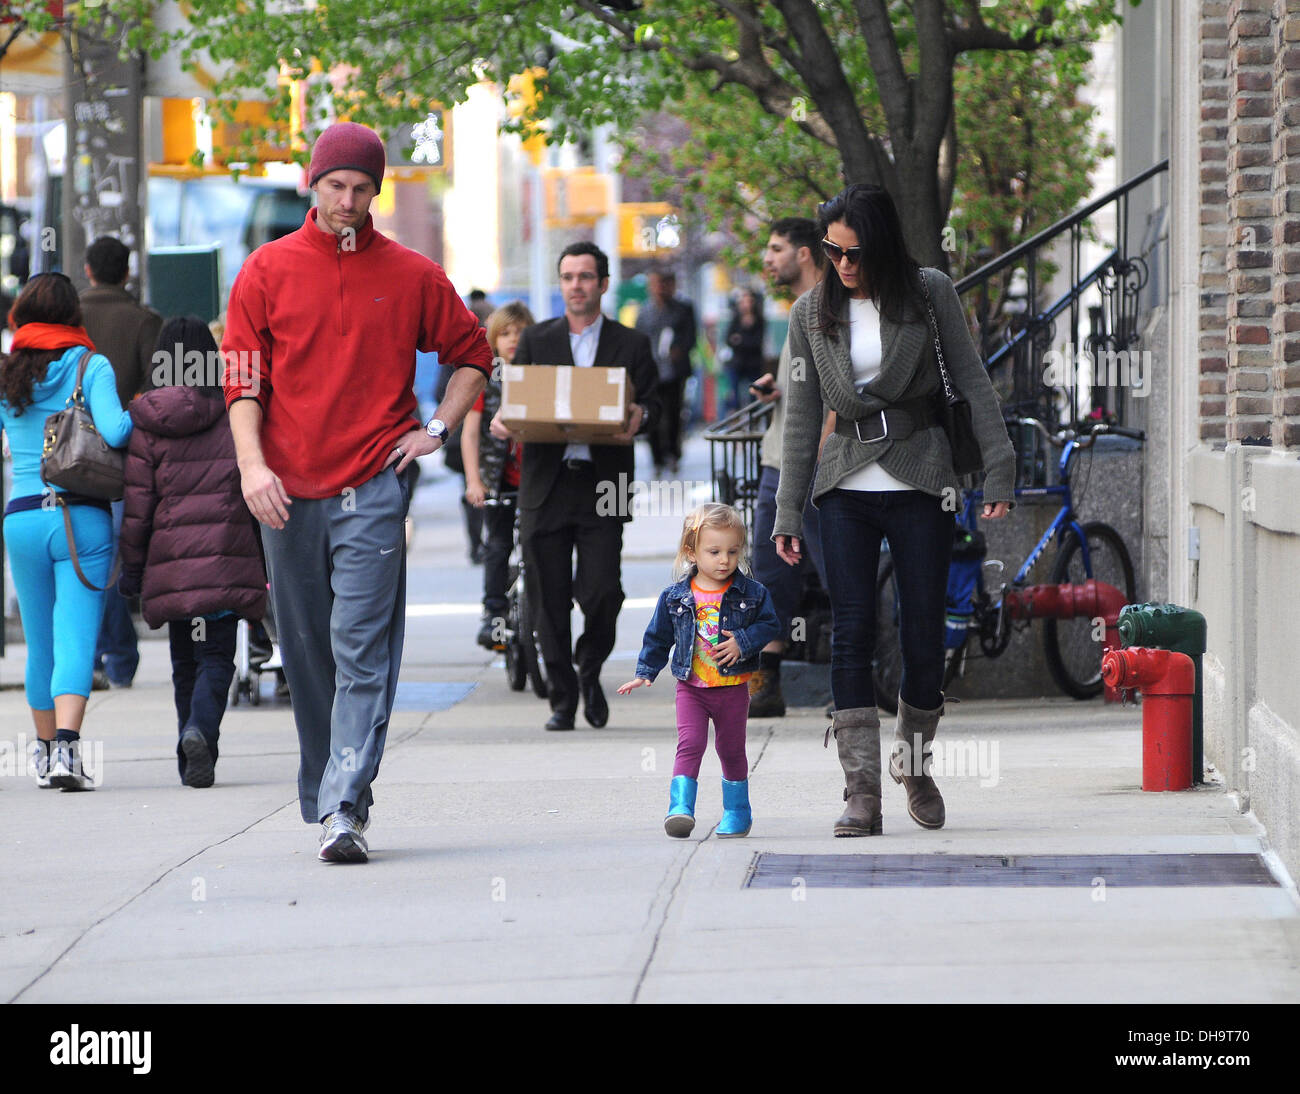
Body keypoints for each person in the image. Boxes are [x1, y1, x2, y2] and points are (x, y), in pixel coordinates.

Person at [223, 121, 492, 863]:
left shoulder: (411, 273)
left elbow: (474, 355)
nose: (347, 200)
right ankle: (329, 788)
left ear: (378, 192)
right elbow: (241, 381)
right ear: (313, 185)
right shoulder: (265, 271)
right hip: (284, 489)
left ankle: (344, 803)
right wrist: (252, 468)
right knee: (306, 649)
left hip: (375, 481)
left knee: (361, 647)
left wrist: (437, 427)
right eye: (335, 186)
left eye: (361, 188)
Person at [773, 183, 1015, 838]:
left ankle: (914, 764)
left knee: (922, 633)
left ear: (880, 245)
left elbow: (970, 378)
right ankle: (861, 794)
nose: (844, 265)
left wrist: (999, 467)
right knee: (851, 630)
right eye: (833, 252)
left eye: (854, 253)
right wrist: (788, 511)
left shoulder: (928, 292)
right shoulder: (809, 312)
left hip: (921, 480)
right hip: (845, 486)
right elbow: (800, 421)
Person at [491, 241, 659, 732]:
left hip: (605, 483)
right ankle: (563, 697)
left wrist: (640, 415)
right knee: (547, 596)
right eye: (568, 277)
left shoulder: (631, 344)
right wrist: (506, 421)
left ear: (603, 284)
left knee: (604, 591)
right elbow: (516, 398)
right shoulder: (537, 341)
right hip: (545, 483)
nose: (576, 286)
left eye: (585, 277)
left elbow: (656, 403)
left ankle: (590, 668)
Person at [117, 317, 268, 788]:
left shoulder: (147, 422)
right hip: (226, 556)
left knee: (185, 660)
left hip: (172, 564)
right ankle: (201, 732)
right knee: (216, 657)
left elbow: (138, 508)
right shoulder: (235, 413)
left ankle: (191, 746)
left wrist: (132, 573)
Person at [0, 272, 132, 790]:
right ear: (73, 314)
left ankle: (41, 752)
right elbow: (117, 430)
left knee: (40, 643)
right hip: (80, 518)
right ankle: (67, 754)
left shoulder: (8, 372)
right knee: (77, 635)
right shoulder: (89, 364)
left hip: (23, 517)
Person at [618, 503, 780, 838]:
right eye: (715, 551)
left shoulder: (751, 593)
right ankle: (680, 809)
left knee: (730, 749)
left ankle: (737, 812)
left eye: (733, 551)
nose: (724, 560)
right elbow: (658, 636)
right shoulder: (675, 596)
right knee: (690, 744)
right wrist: (645, 671)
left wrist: (743, 642)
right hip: (690, 687)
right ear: (691, 552)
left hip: (732, 688)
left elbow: (770, 625)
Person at [747, 217, 829, 717]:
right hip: (777, 460)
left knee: (837, 572)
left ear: (804, 254)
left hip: (816, 464)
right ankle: (767, 683)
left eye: (776, 248)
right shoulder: (794, 311)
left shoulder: (827, 311)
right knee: (772, 573)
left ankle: (853, 677)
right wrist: (775, 389)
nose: (768, 258)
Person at [80, 235, 162, 691]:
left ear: (88, 271)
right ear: (127, 272)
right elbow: (157, 393)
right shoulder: (144, 321)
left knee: (87, 558)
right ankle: (117, 653)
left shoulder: (69, 318)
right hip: (124, 461)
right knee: (109, 557)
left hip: (67, 458)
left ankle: (103, 653)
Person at [463, 301, 534, 649]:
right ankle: (492, 612)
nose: (513, 340)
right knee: (497, 544)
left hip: (536, 479)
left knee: (541, 545)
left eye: (520, 333)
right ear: (493, 339)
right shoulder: (486, 377)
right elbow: (471, 433)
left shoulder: (541, 373)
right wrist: (474, 481)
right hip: (499, 479)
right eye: (505, 333)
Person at [634, 268, 697, 476]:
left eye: (665, 284)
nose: (660, 289)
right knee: (652, 415)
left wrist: (679, 350)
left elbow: (691, 338)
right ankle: (657, 459)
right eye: (656, 284)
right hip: (651, 373)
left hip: (674, 372)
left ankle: (673, 454)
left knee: (673, 414)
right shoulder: (645, 311)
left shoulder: (683, 309)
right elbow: (638, 340)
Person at [723, 288, 765, 414]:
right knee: (734, 396)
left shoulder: (759, 320)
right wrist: (742, 341)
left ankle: (753, 422)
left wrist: (740, 340)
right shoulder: (735, 319)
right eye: (743, 301)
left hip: (753, 364)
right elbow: (728, 339)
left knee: (754, 396)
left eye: (749, 301)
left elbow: (756, 342)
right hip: (737, 363)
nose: (746, 305)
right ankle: (734, 420)